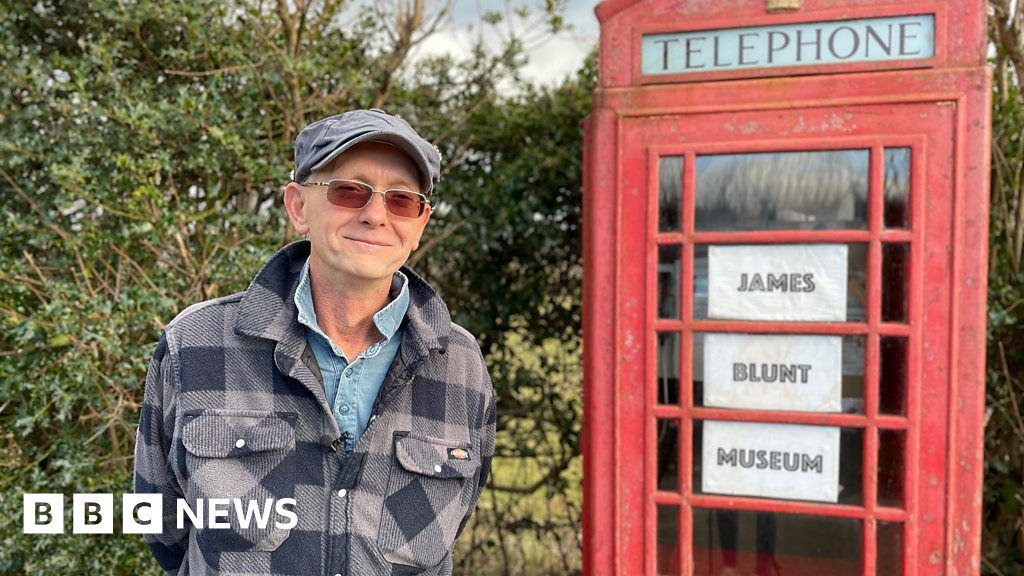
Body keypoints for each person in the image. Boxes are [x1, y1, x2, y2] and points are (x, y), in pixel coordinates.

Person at [134, 108, 496, 576]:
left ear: (420, 225)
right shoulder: (196, 343)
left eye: (402, 200)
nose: (375, 215)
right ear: (299, 206)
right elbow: (165, 527)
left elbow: (449, 529)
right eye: (350, 191)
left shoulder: (462, 365)